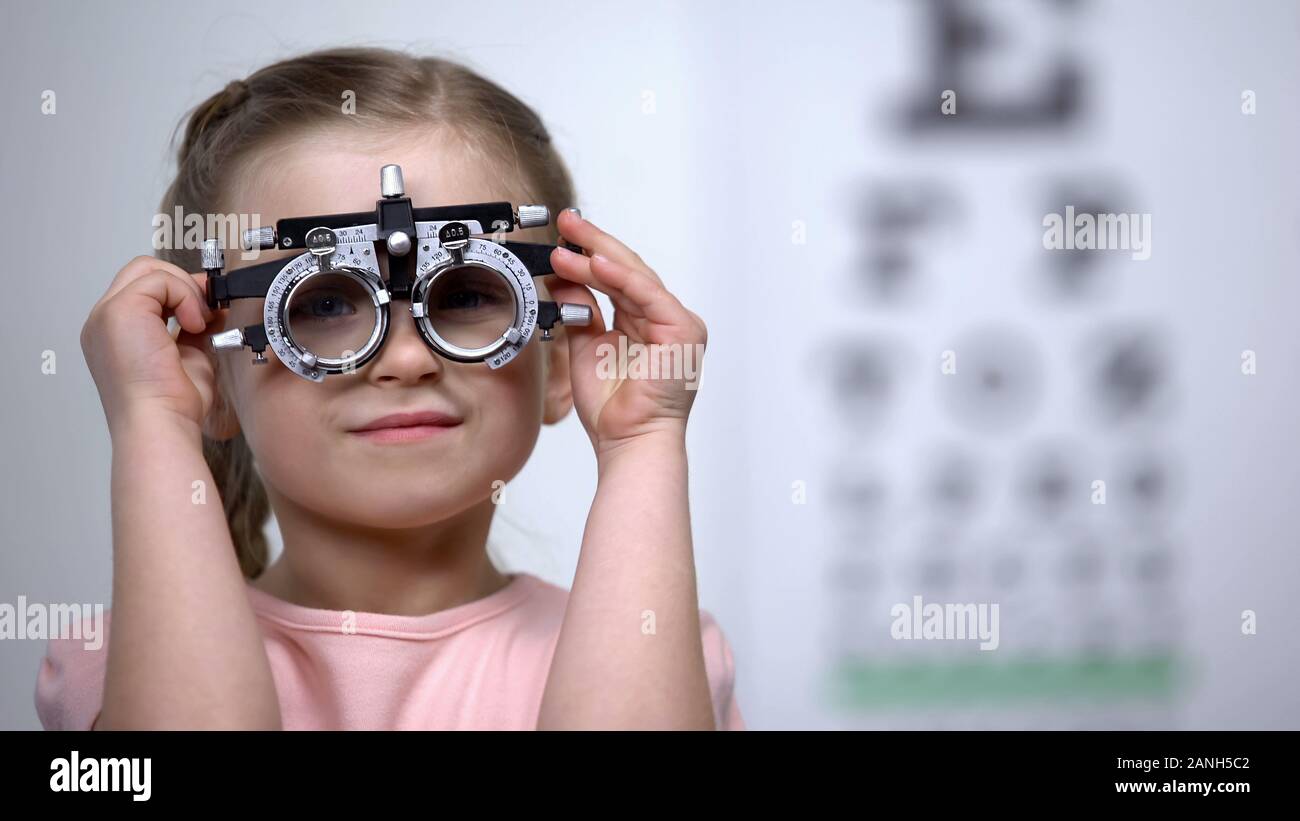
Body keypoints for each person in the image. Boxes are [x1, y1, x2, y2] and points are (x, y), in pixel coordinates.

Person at [35, 46, 742, 730]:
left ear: (556, 359)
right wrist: (152, 421)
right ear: (210, 375)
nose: (405, 359)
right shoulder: (125, 663)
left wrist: (643, 440)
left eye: (466, 293)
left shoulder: (655, 652)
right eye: (323, 303)